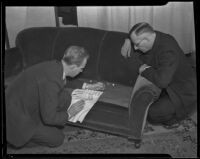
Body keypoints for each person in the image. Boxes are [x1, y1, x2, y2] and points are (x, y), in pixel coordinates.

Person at [6, 45, 104, 148]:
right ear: (73, 67)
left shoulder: (55, 66)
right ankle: (16, 142)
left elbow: (62, 78)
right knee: (57, 139)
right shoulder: (51, 83)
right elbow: (49, 118)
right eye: (81, 68)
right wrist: (69, 114)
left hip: (22, 104)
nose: (81, 71)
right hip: (17, 119)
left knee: (65, 97)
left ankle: (43, 126)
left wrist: (88, 86)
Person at [121, 22, 197, 127]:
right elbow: (135, 33)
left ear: (146, 39)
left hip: (182, 90)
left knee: (152, 114)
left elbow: (162, 82)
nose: (135, 48)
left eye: (137, 44)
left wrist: (144, 70)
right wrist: (127, 40)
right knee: (142, 105)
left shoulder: (168, 51)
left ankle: (183, 113)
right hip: (166, 81)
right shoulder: (152, 35)